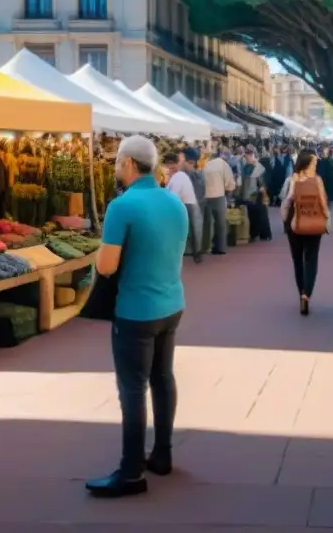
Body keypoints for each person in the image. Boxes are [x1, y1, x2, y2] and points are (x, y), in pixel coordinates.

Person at [86, 136, 188, 498]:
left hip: (135, 309)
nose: (115, 167)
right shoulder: (174, 201)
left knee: (132, 387)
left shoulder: (122, 206)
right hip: (171, 302)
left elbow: (107, 265)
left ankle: (130, 471)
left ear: (129, 164)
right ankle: (162, 453)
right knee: (163, 377)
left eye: (117, 162)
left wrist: (102, 252)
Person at [280, 149, 329, 315]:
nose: (316, 165)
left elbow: (287, 201)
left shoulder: (293, 179)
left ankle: (301, 291)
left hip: (295, 222)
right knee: (311, 259)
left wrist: (285, 219)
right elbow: (323, 201)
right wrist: (327, 218)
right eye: (314, 162)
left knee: (297, 260)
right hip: (314, 221)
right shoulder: (317, 180)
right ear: (307, 163)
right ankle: (307, 294)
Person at [164, 152, 202, 264]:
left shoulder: (177, 177)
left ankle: (195, 253)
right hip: (187, 204)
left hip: (186, 205)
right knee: (192, 230)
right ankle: (196, 252)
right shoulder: (178, 176)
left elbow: (173, 195)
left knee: (187, 230)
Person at [202, 149, 236, 255]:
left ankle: (205, 246)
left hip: (206, 196)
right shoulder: (224, 165)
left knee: (207, 223)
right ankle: (220, 247)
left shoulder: (207, 165)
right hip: (219, 195)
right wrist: (229, 191)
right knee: (220, 223)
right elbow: (230, 183)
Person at [239, 150, 271, 241]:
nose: (246, 159)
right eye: (245, 157)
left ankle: (260, 234)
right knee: (254, 214)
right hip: (250, 193)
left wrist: (264, 194)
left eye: (248, 157)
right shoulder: (246, 167)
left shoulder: (258, 167)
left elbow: (262, 183)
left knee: (258, 214)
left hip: (255, 193)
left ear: (253, 156)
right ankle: (257, 233)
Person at [181, 148, 206, 263]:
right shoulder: (198, 174)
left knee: (193, 227)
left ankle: (195, 251)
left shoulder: (191, 174)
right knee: (195, 227)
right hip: (194, 202)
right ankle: (196, 251)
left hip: (191, 202)